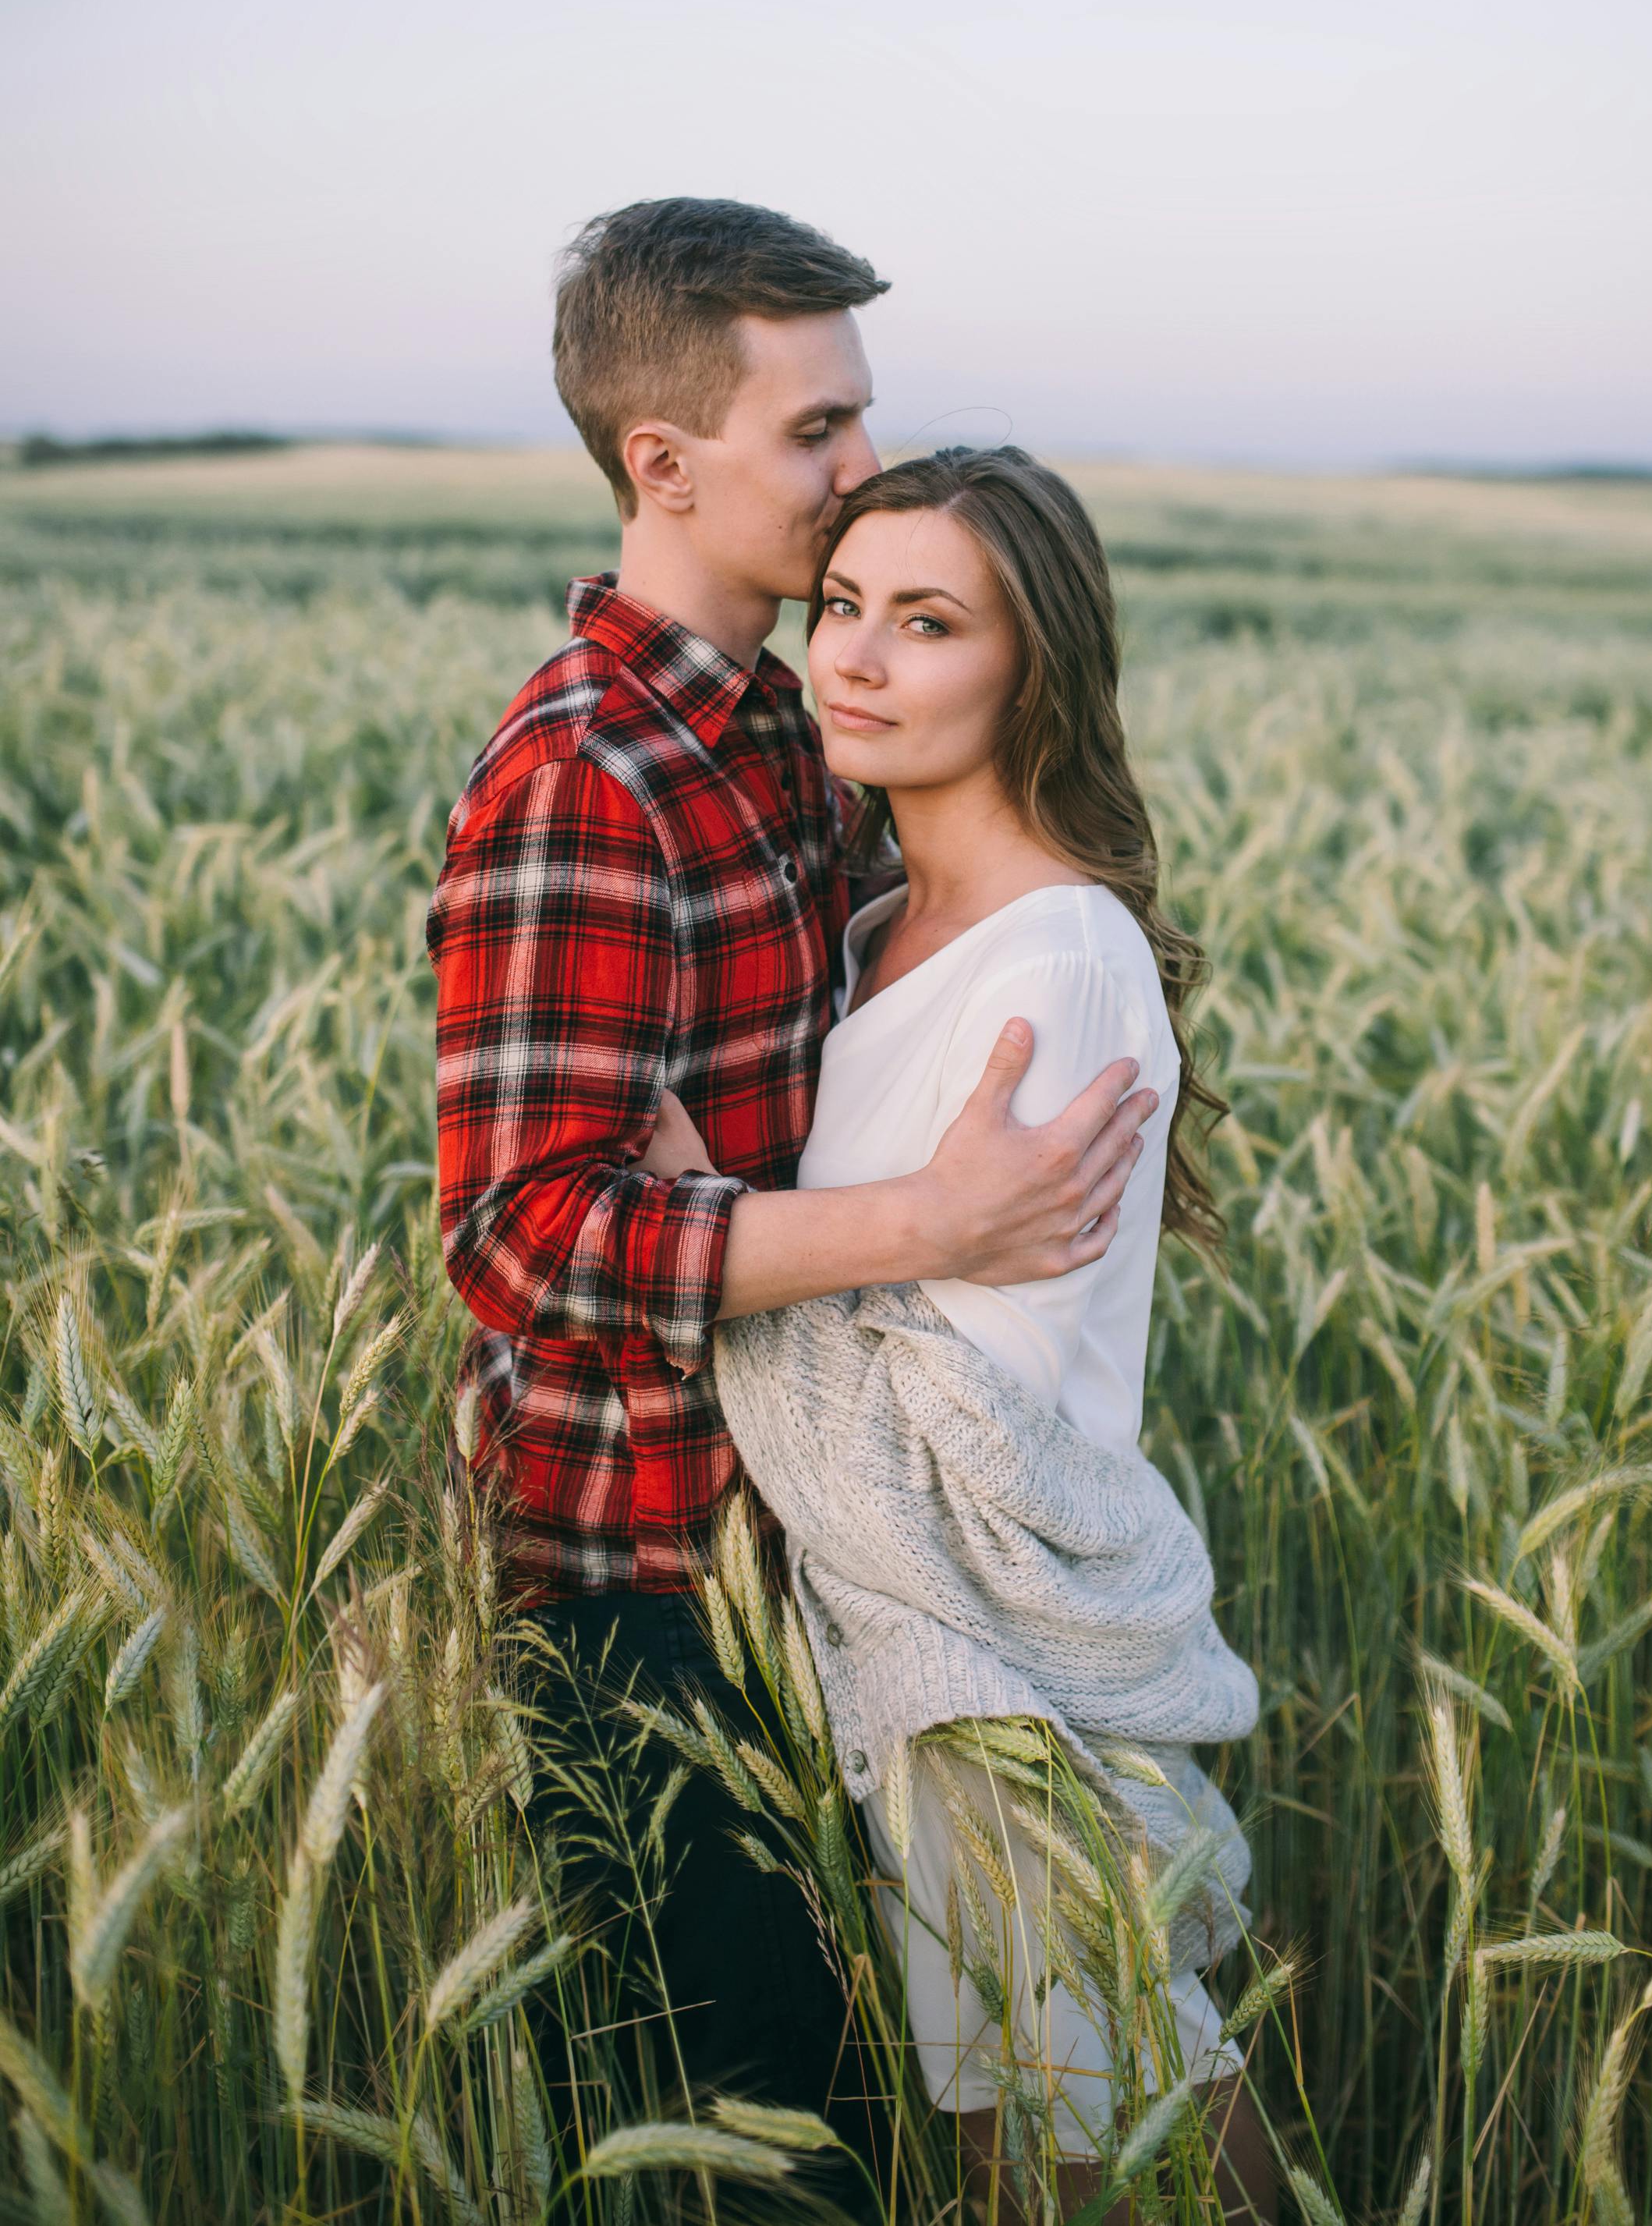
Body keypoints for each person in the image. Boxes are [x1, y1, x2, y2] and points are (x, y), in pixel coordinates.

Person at [425, 200, 1157, 2191]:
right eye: (817, 430)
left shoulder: (778, 733)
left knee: (958, 2092)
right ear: (663, 463)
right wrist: (924, 1220)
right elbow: (516, 1228)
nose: (859, 480)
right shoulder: (592, 774)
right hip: (638, 1585)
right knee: (765, 2142)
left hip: (816, 1554)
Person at [663, 446, 1277, 2221]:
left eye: (924, 622)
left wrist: (709, 1257)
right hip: (889, 1669)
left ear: (1038, 670)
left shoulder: (1054, 965)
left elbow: (962, 1457)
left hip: (993, 1666)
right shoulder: (871, 927)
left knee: (1095, 2146)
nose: (851, 655)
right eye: (840, 605)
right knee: (1058, 2134)